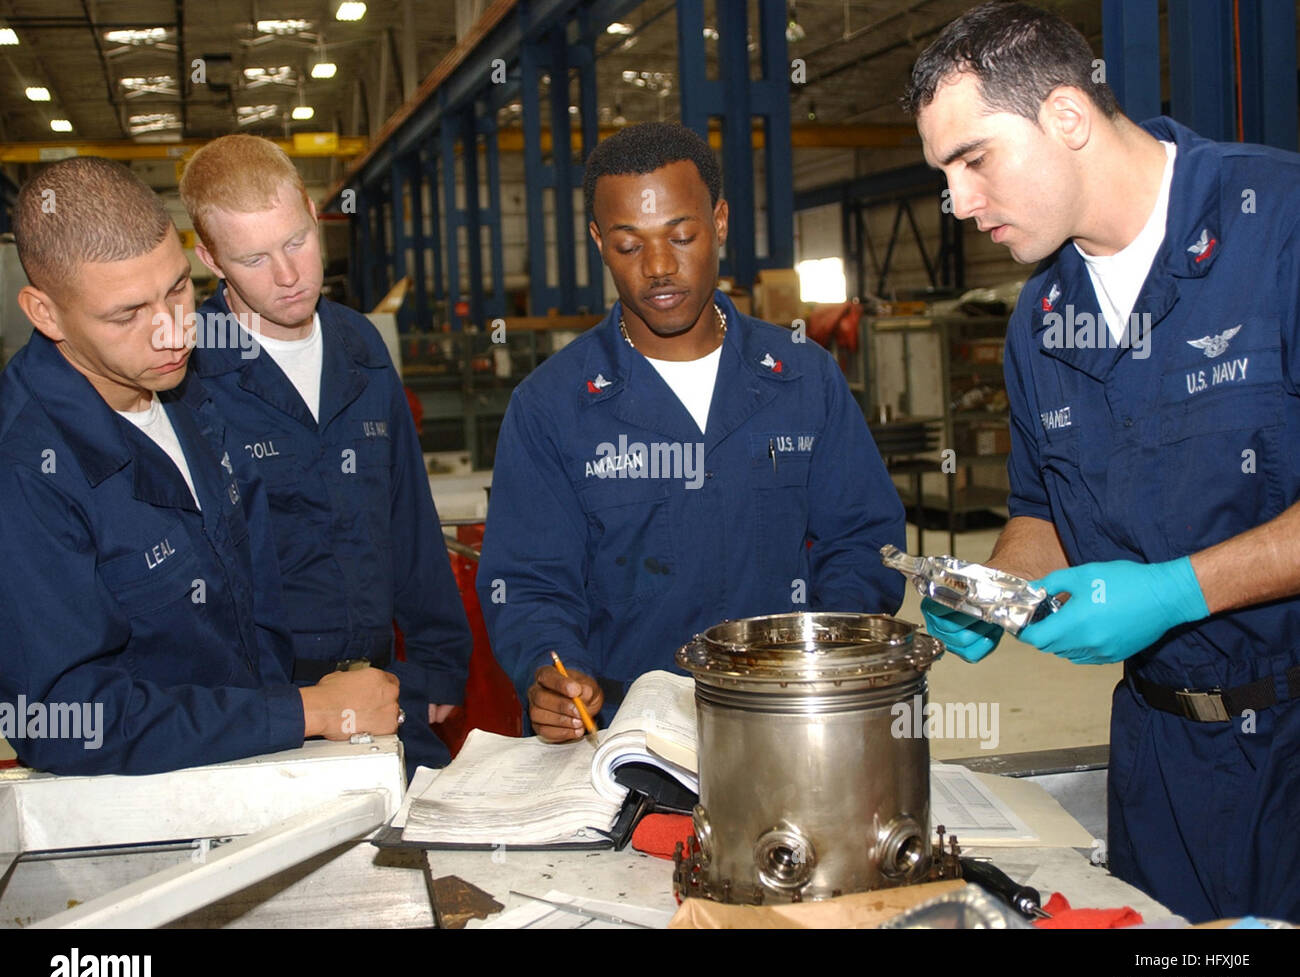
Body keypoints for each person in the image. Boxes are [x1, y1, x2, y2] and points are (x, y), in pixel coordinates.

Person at [904, 1, 1300, 923]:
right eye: (944, 175)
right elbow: (1042, 511)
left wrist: (1180, 591)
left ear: (1068, 118)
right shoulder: (1039, 325)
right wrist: (989, 587)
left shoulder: (1277, 229)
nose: (958, 203)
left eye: (974, 160)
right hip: (1162, 763)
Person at [477, 122, 905, 742]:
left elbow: (865, 537)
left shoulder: (801, 378)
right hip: (625, 742)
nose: (657, 268)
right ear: (598, 241)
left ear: (721, 222)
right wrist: (551, 670)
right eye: (628, 246)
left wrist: (820, 652)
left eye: (681, 236)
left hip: (792, 725)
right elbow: (529, 582)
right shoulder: (551, 407)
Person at [0, 157, 400, 775]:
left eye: (178, 289)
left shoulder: (185, 396)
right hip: (148, 832)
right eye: (127, 314)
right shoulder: (26, 472)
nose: (171, 333)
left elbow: (254, 605)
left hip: (252, 778)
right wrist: (306, 713)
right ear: (45, 312)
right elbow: (59, 718)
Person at [179, 135, 472, 775]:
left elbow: (407, 513)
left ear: (314, 215)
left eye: (296, 243)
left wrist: (440, 658)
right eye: (254, 258)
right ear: (209, 258)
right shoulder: (187, 372)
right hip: (265, 700)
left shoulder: (360, 346)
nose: (287, 276)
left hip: (383, 686)